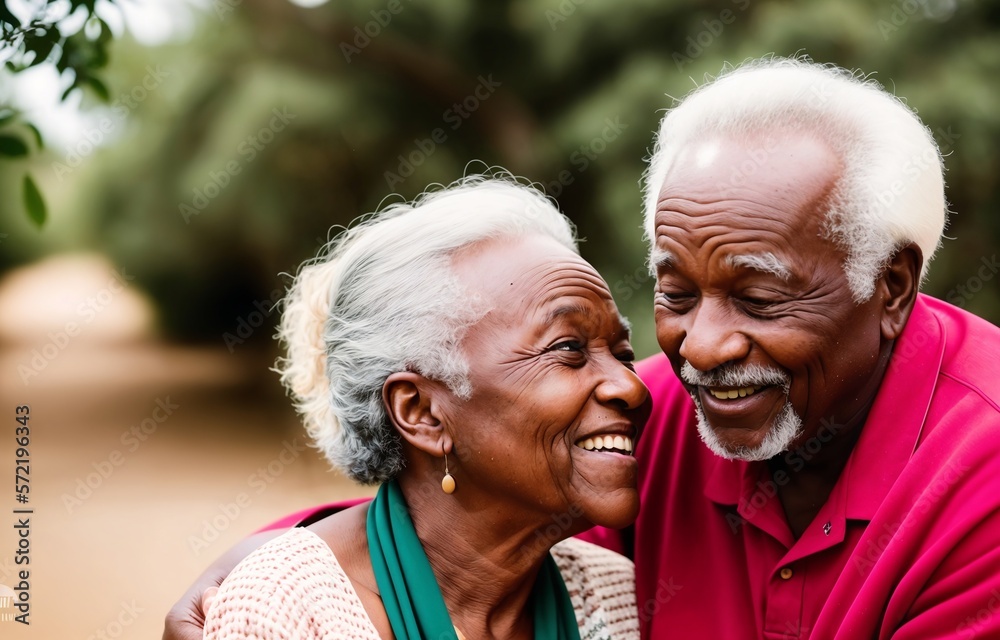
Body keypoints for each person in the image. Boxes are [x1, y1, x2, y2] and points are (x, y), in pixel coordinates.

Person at [166, 57, 1000, 640]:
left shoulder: (980, 475)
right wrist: (274, 569)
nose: (699, 350)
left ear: (889, 289)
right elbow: (475, 499)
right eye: (673, 294)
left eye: (759, 297)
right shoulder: (684, 408)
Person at [198, 175, 651, 639]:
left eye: (623, 354)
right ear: (422, 413)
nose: (631, 388)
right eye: (568, 348)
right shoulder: (285, 611)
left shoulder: (612, 597)